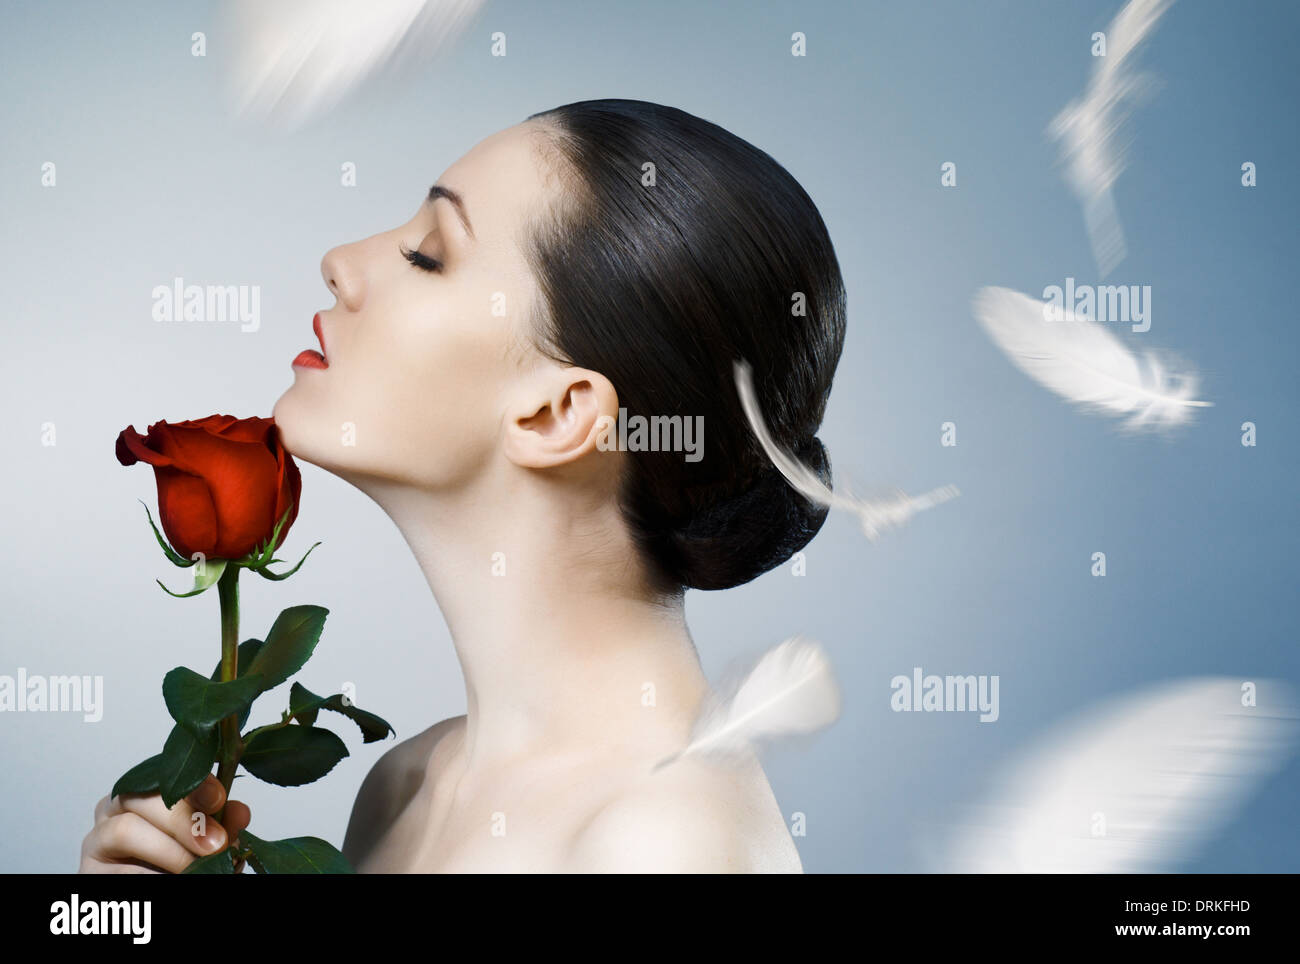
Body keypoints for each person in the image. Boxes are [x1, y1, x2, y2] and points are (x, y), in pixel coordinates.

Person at [80, 99, 846, 873]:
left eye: (429, 255)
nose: (341, 261)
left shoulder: (665, 844)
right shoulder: (403, 789)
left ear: (557, 413)